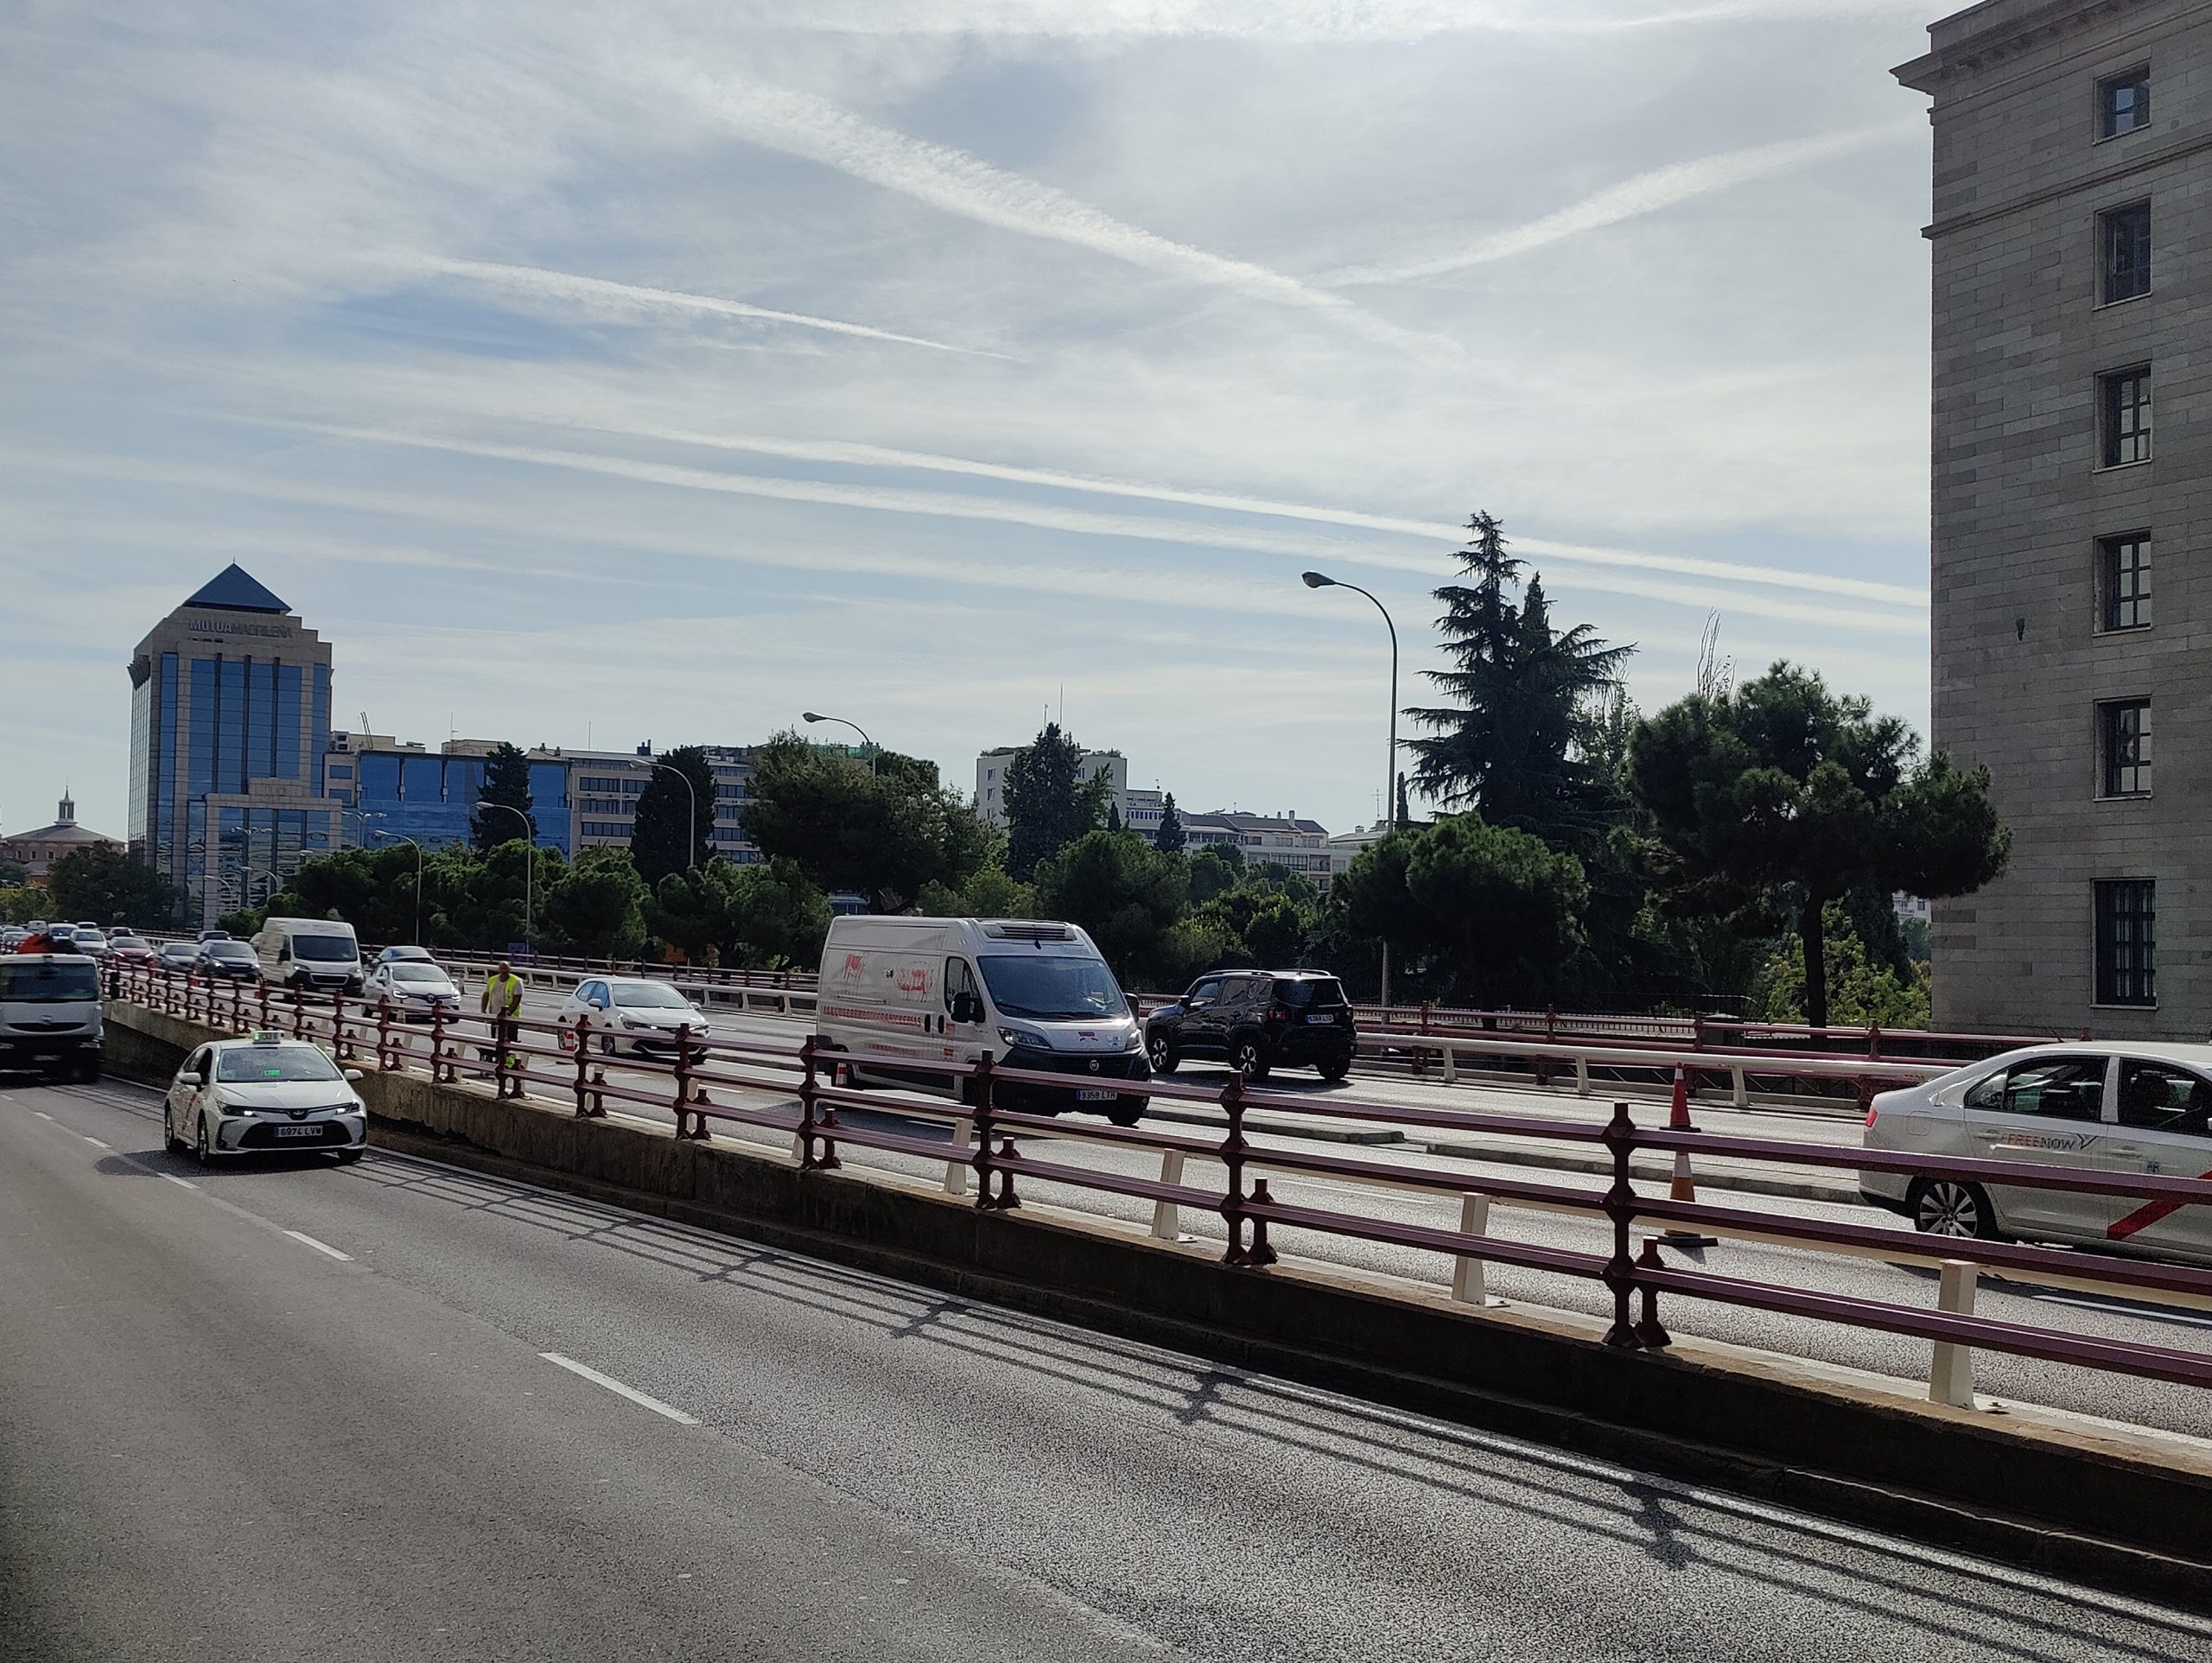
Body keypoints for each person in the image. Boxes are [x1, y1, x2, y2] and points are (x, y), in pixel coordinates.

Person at [480, 960, 524, 1072]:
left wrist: (507, 1014)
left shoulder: (516, 981)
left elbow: (517, 999)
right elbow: (486, 994)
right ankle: (499, 1060)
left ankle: (510, 1064)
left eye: (506, 969)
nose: (504, 971)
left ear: (509, 970)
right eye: (502, 969)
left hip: (511, 1018)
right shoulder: (492, 980)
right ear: (499, 969)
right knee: (496, 1040)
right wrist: (483, 1009)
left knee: (510, 1040)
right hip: (495, 1016)